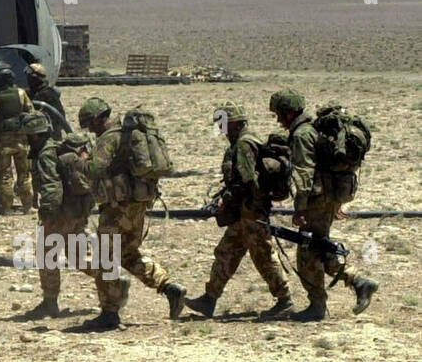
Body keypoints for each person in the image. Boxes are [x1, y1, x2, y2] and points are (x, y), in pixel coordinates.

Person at [269, 89, 377, 321]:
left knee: (308, 252)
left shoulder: (301, 135)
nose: (278, 119)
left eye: (278, 114)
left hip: (317, 200)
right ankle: (357, 282)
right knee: (318, 247)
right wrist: (334, 202)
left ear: (288, 113)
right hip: (327, 197)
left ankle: (319, 305)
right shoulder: (313, 129)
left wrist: (300, 209)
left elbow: (304, 175)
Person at [79, 97, 185, 329]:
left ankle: (109, 313)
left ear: (99, 118)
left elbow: (95, 169)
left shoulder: (109, 138)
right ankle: (169, 287)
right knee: (127, 254)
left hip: (117, 209)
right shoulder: (127, 134)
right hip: (137, 205)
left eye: (90, 123)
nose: (89, 129)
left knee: (105, 258)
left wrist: (83, 159)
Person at [184, 102, 292, 320]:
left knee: (262, 255)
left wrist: (228, 199)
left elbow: (246, 180)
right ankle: (209, 299)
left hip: (250, 211)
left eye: (224, 123)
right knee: (226, 252)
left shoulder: (243, 144)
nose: (221, 128)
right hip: (243, 212)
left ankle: (285, 300)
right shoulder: (240, 143)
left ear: (236, 123)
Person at [22, 111, 126, 319]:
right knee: (78, 255)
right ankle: (112, 280)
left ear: (33, 135)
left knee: (46, 255)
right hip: (77, 209)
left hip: (61, 213)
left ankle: (50, 302)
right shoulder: (56, 149)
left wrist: (47, 214)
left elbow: (52, 187)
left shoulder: (45, 155)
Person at [0, 65, 36, 212]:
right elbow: (31, 112)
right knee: (24, 174)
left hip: (3, 142)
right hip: (21, 141)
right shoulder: (21, 93)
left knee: (5, 175)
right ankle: (28, 206)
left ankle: (6, 208)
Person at [26, 63, 67, 139]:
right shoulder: (31, 93)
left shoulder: (49, 94)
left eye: (30, 76)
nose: (28, 78)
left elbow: (59, 117)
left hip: (49, 136)